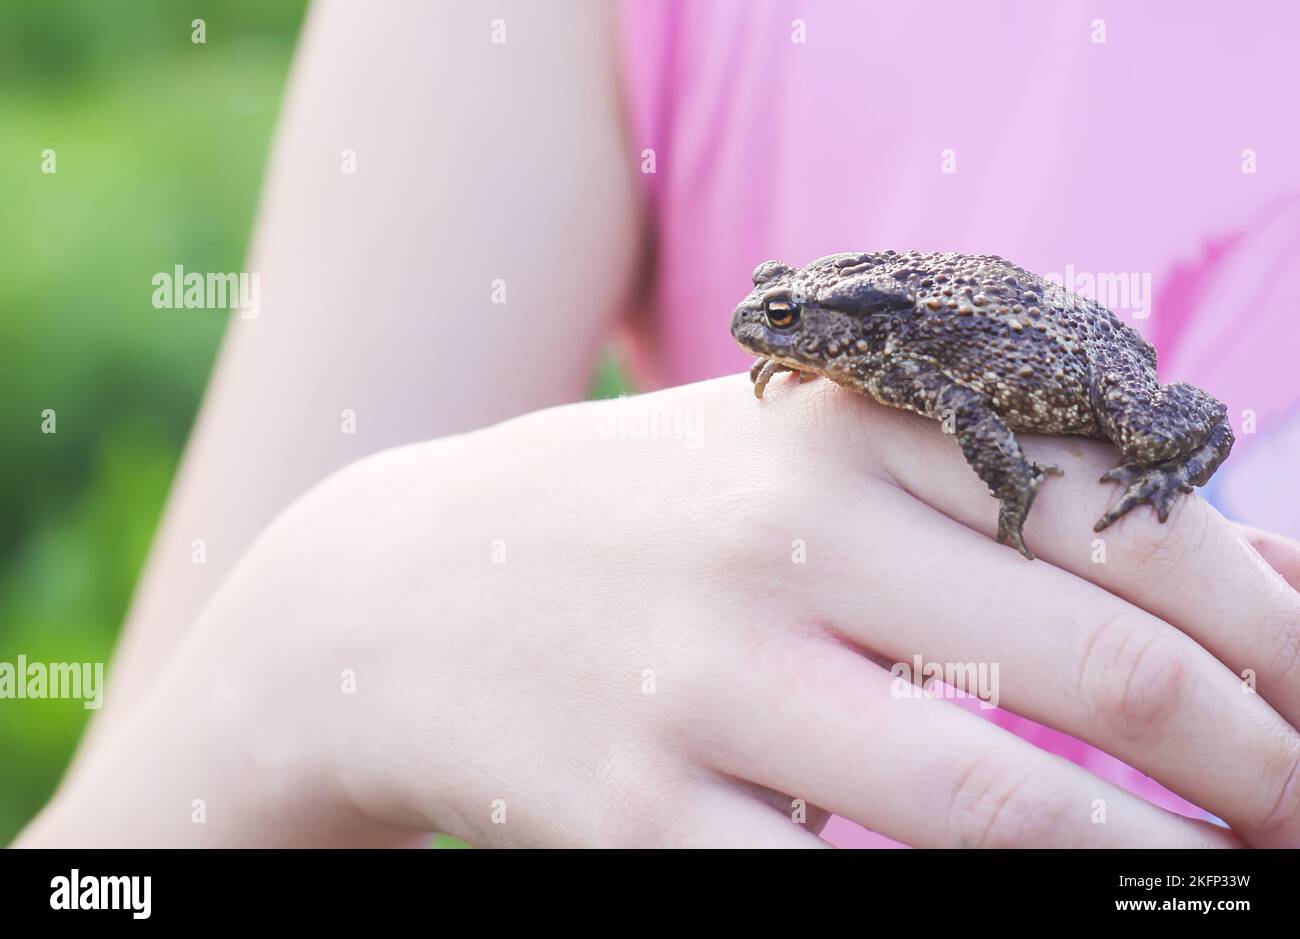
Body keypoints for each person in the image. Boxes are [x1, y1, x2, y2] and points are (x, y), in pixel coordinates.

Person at [17, 0, 1300, 848]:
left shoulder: (909, 358)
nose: (772, 342)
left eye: (795, 330)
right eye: (774, 323)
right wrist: (310, 636)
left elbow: (976, 412)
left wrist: (1025, 503)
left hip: (1073, 363)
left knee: (1147, 421)